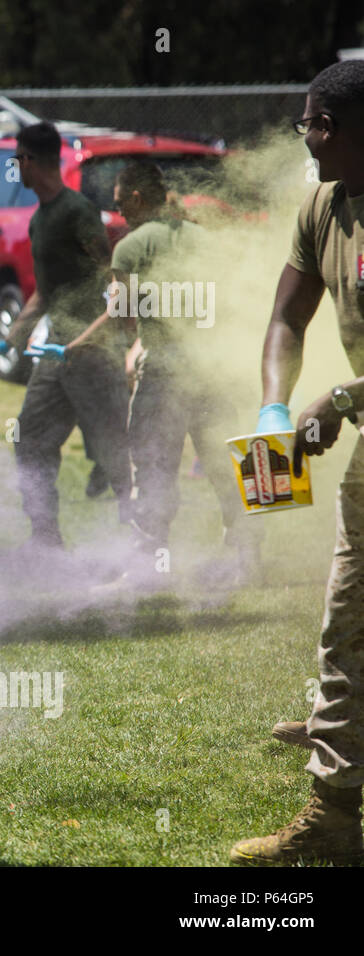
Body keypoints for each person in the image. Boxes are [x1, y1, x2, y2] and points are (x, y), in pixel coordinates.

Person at [230, 61, 364, 866]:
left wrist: (341, 402)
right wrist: (277, 405)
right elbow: (287, 313)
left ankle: (336, 809)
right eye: (306, 123)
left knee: (349, 622)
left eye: (321, 124)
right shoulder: (324, 203)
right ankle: (338, 753)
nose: (308, 138)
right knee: (348, 617)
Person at [65, 161, 257, 584]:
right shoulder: (207, 240)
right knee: (226, 469)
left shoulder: (131, 247)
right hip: (212, 372)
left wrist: (77, 346)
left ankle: (150, 560)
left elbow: (119, 313)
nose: (118, 215)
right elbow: (229, 305)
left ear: (136, 198)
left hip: (165, 379)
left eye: (119, 205)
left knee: (152, 469)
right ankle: (245, 556)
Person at [3, 121, 131, 550]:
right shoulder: (41, 220)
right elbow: (47, 289)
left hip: (92, 350)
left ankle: (143, 543)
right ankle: (45, 540)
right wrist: (17, 331)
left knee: (116, 453)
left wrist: (111, 333)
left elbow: (109, 272)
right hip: (57, 348)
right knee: (29, 437)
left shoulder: (76, 211)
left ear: (31, 161)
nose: (15, 167)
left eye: (17, 159)